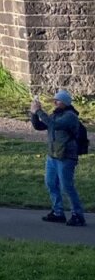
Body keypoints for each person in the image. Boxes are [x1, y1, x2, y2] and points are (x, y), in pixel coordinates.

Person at [32, 90, 86, 226]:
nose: (55, 102)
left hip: (66, 157)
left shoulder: (70, 116)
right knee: (50, 183)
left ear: (66, 102)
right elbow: (39, 126)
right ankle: (58, 212)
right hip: (53, 156)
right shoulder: (55, 115)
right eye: (54, 100)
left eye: (58, 100)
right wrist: (33, 113)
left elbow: (54, 125)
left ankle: (77, 215)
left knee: (67, 186)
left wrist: (39, 111)